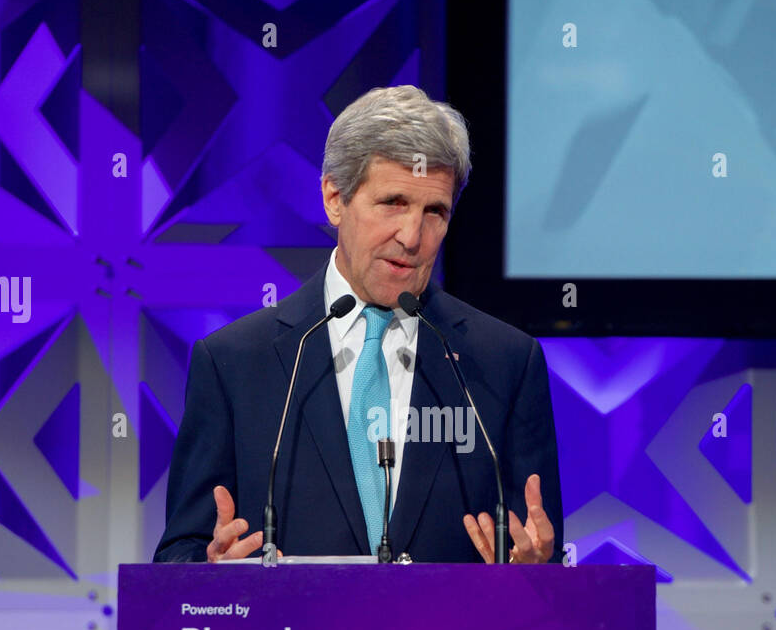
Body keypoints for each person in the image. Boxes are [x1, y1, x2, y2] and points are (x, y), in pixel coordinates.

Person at [154, 85, 563, 564]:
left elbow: (540, 547)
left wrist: (534, 578)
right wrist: (212, 572)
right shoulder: (235, 363)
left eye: (434, 211)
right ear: (335, 198)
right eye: (393, 202)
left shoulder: (505, 363)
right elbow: (179, 555)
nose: (412, 236)